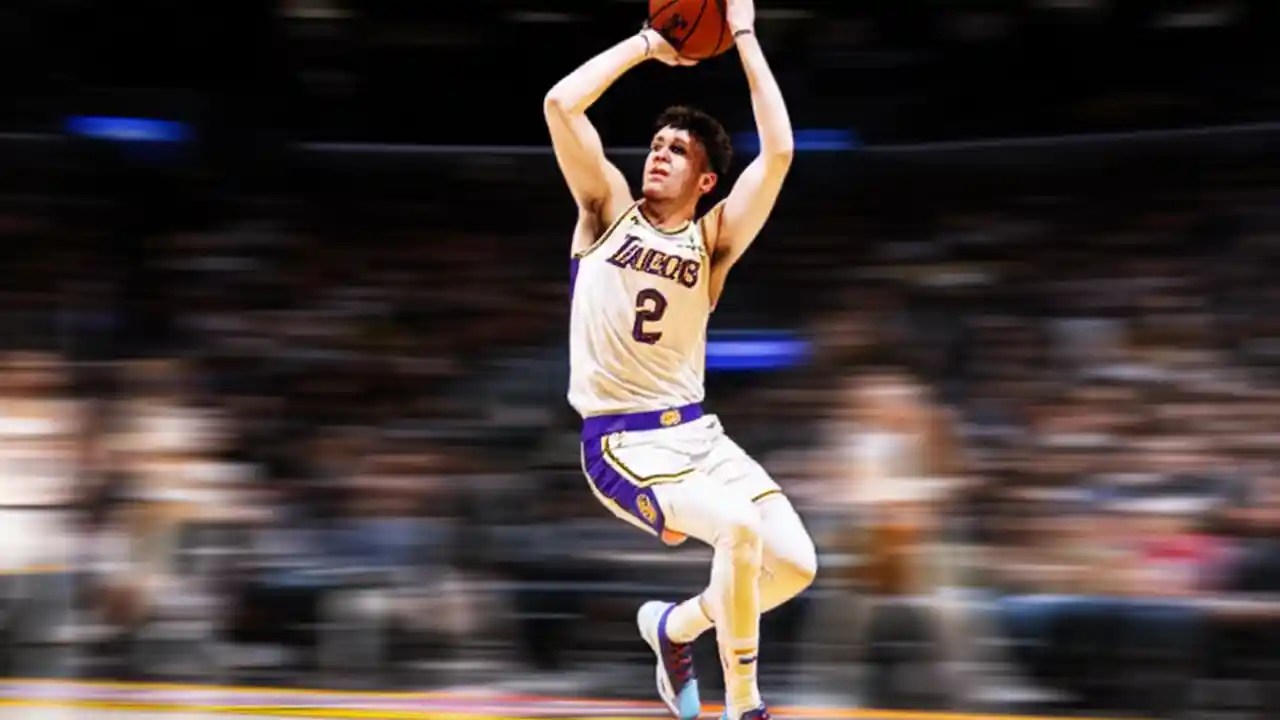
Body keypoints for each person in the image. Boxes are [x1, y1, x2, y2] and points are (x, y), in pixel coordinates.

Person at [543, 2, 815, 719]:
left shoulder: (712, 241)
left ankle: (674, 627)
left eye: (677, 150)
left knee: (794, 566)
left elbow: (780, 151)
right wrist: (646, 45)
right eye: (656, 142)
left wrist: (746, 34)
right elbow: (560, 104)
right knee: (741, 531)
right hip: (621, 441)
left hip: (697, 434)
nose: (658, 152)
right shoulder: (606, 208)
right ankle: (746, 706)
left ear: (705, 182)